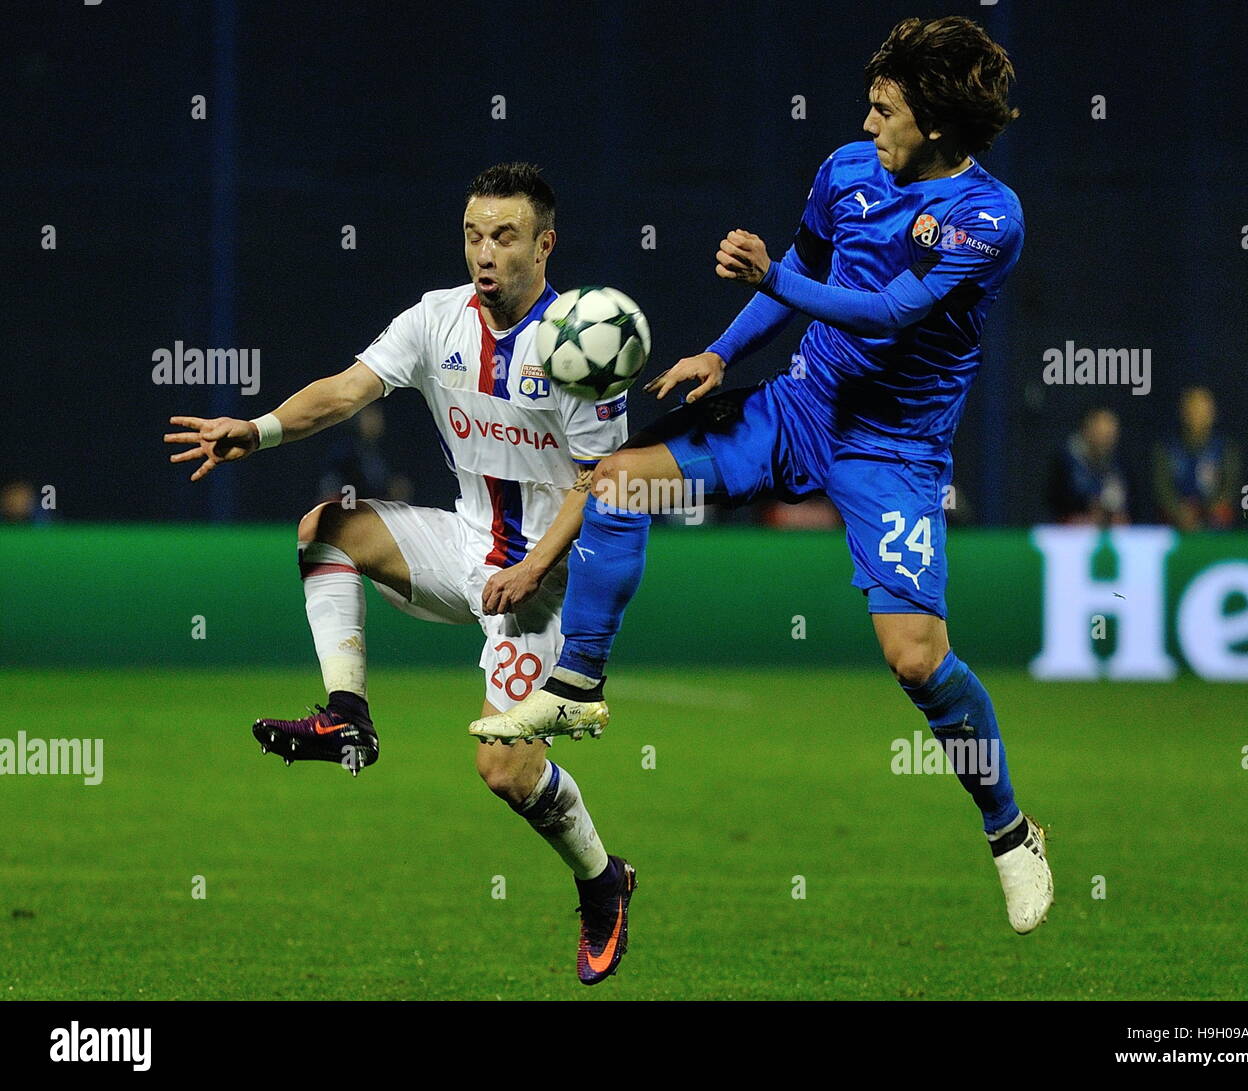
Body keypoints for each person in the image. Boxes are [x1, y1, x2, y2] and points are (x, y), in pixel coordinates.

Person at [470, 17, 1053, 935]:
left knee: (917, 658)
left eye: (884, 110)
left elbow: (892, 312)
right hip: (795, 410)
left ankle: (1009, 830)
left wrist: (774, 278)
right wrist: (719, 348)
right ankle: (579, 684)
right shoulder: (847, 171)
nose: (867, 124)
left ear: (935, 125)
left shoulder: (991, 217)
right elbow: (816, 267)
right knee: (619, 480)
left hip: (892, 455)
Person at [165, 163, 637, 986]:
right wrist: (261, 429)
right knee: (327, 530)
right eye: (472, 234)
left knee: (504, 771)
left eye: (504, 236)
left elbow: (602, 485)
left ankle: (603, 881)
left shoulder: (582, 341)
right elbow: (346, 390)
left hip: (545, 579)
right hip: (467, 548)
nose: (483, 252)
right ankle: (347, 716)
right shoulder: (436, 318)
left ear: (544, 245)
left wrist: (533, 564)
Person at [1153, 386, 1241, 530]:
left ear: (1213, 413)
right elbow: (1163, 490)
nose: (1199, 415)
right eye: (1194, 409)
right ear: (1184, 412)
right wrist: (1179, 512)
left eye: (1204, 410)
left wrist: (1206, 512)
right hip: (1174, 526)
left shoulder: (1225, 449)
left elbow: (1230, 488)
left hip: (1215, 526)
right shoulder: (1166, 448)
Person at [1046, 407, 1129, 525]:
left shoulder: (1118, 463)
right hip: (1070, 530)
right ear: (1088, 429)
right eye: (1102, 433)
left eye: (1111, 434)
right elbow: (1058, 500)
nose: (1107, 439)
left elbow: (1124, 502)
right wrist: (1090, 506)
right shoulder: (1065, 459)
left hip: (1108, 526)